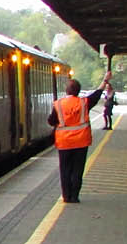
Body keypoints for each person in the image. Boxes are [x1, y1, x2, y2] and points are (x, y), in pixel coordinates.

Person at [47, 71, 112, 203]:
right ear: (78, 91)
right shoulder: (84, 102)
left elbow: (51, 121)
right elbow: (97, 94)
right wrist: (105, 80)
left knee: (65, 169)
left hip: (64, 142)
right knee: (78, 169)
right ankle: (75, 196)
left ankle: (66, 196)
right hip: (81, 141)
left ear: (66, 91)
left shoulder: (58, 104)